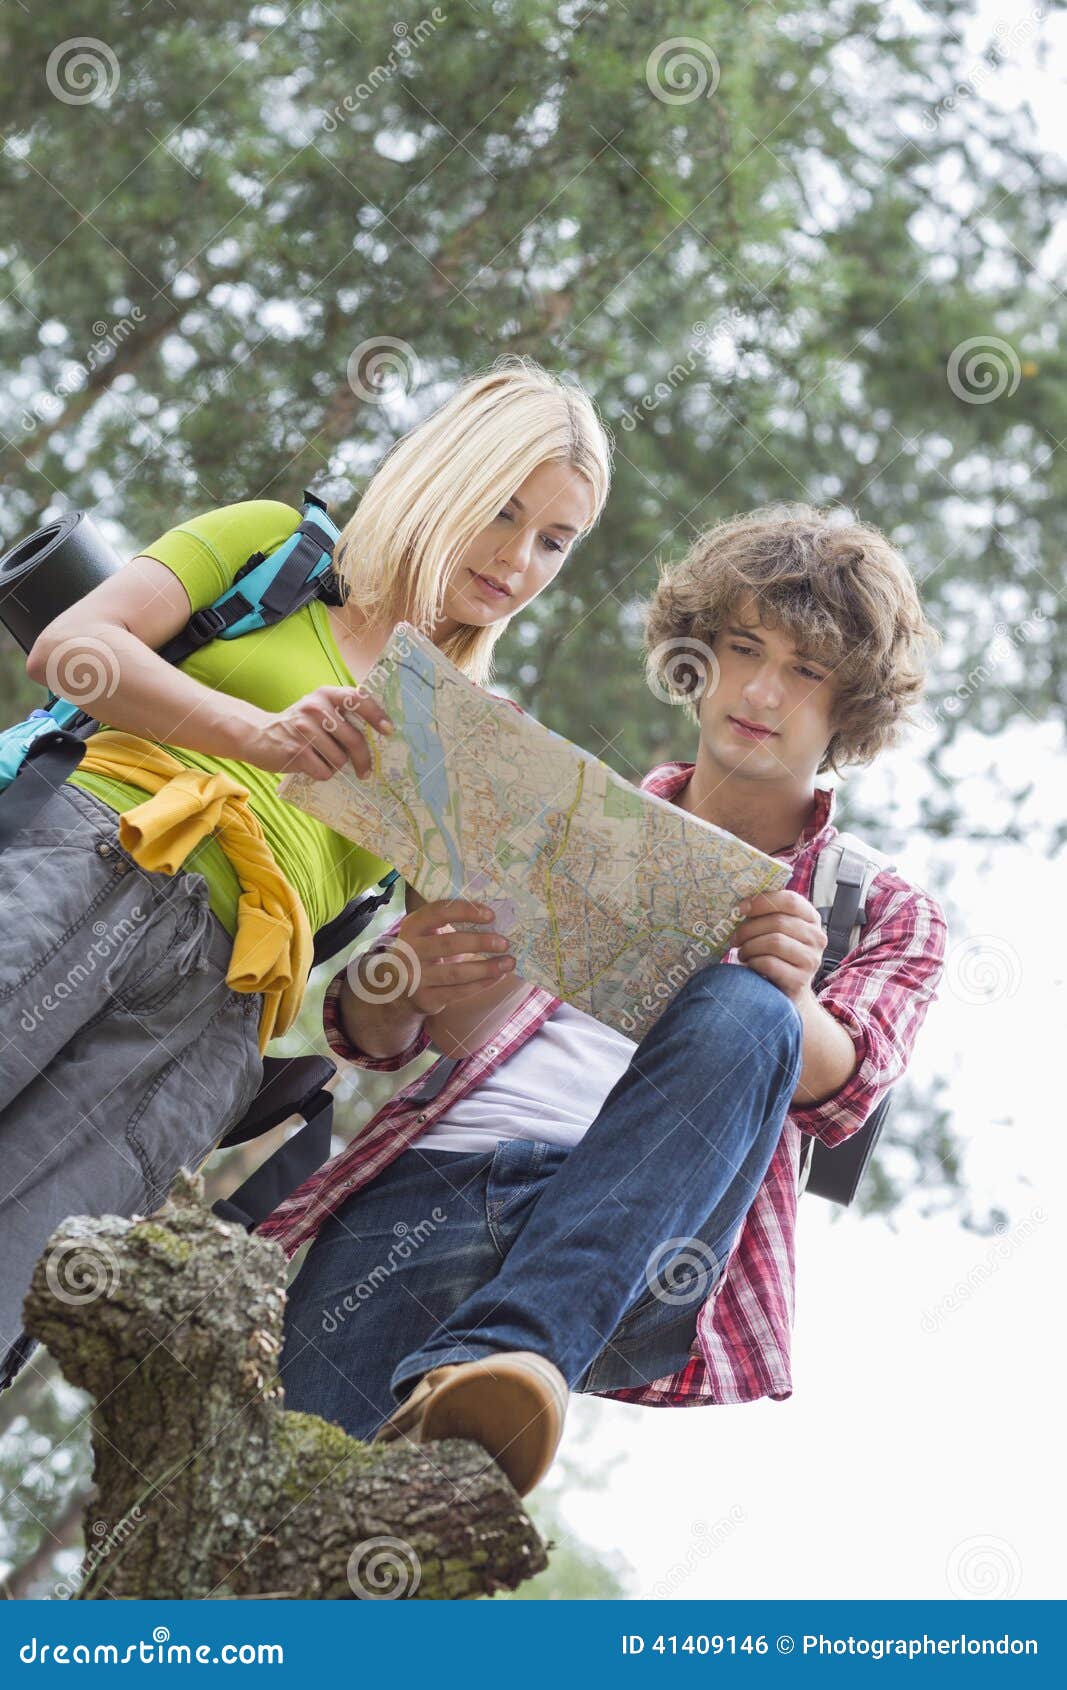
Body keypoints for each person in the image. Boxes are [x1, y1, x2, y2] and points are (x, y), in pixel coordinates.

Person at [260, 503, 950, 1500]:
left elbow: (844, 1097)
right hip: (426, 1192)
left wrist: (788, 989)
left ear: (850, 705)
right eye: (741, 648)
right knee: (261, 1509)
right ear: (694, 657)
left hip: (629, 1234)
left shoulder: (878, 906)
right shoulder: (555, 809)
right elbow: (365, 1031)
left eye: (805, 671)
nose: (759, 691)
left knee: (746, 1010)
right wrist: (397, 979)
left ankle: (518, 1356)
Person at [0, 358, 612, 1392]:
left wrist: (435, 954)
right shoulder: (271, 546)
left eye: (553, 541)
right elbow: (72, 646)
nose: (517, 557)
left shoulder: (467, 741)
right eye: (501, 512)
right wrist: (260, 734)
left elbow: (433, 1023)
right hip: (97, 854)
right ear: (441, 476)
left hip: (212, 1015)